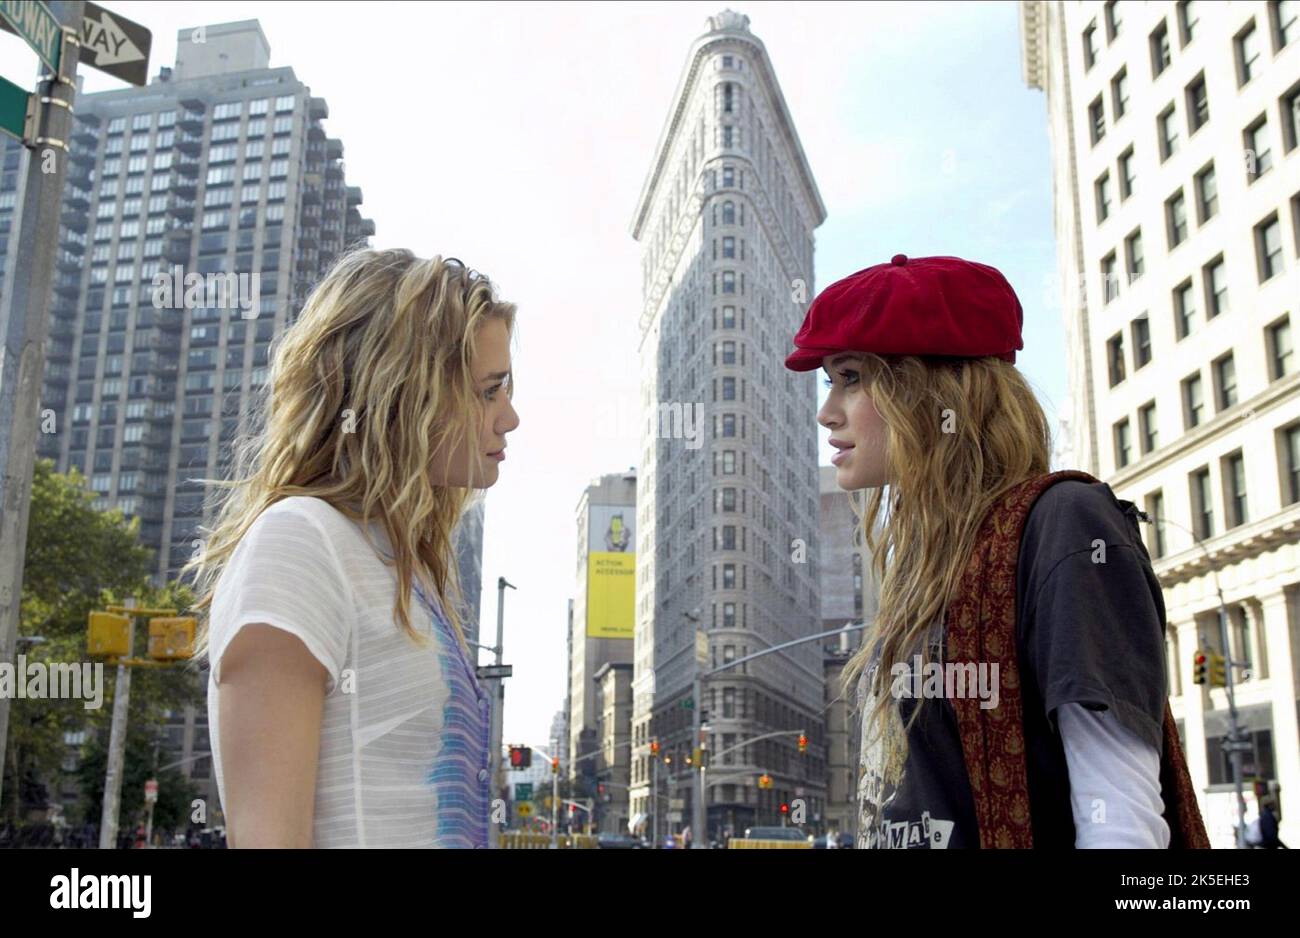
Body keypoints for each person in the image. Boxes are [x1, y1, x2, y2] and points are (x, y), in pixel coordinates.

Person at [786, 254, 1208, 849]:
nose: (827, 411)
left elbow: (1120, 822)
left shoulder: (1065, 524)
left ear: (934, 389)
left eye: (851, 376)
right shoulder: (930, 562)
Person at [188, 249, 520, 848]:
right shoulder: (301, 544)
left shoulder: (406, 566)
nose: (510, 417)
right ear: (407, 393)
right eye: (490, 391)